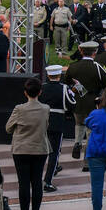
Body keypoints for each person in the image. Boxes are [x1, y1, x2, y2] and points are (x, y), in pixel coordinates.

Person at [5, 77, 50, 210]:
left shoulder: (19, 109)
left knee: (23, 183)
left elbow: (8, 128)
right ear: (40, 92)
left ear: (25, 93)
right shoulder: (45, 109)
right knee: (37, 182)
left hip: (21, 149)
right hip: (39, 148)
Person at [66, 41, 106, 160]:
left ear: (81, 51)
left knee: (79, 123)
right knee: (90, 131)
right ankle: (87, 161)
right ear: (95, 52)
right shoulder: (98, 67)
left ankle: (78, 142)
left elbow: (68, 83)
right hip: (93, 102)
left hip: (77, 102)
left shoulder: (73, 66)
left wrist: (80, 89)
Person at [38, 65, 75, 193]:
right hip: (57, 121)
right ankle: (47, 181)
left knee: (43, 150)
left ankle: (44, 175)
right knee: (54, 152)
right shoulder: (64, 88)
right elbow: (72, 103)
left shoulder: (42, 87)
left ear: (48, 75)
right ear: (59, 75)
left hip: (42, 121)